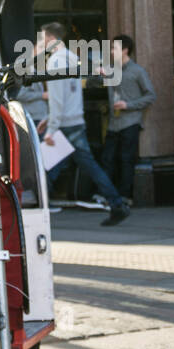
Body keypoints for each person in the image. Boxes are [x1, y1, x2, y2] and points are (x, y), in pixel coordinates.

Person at [35, 22, 129, 226]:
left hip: (63, 126)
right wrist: (49, 120)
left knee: (45, 167)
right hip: (75, 121)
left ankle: (36, 212)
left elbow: (57, 98)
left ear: (51, 40)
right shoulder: (73, 58)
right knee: (61, 167)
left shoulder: (54, 63)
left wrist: (51, 127)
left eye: (42, 40)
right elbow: (70, 96)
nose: (39, 44)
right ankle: (117, 204)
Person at [100, 34, 154, 204]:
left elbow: (151, 95)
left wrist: (128, 105)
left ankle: (125, 196)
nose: (111, 51)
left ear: (125, 50)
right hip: (113, 122)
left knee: (126, 159)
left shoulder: (138, 71)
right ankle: (107, 194)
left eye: (114, 48)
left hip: (130, 121)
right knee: (107, 158)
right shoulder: (110, 69)